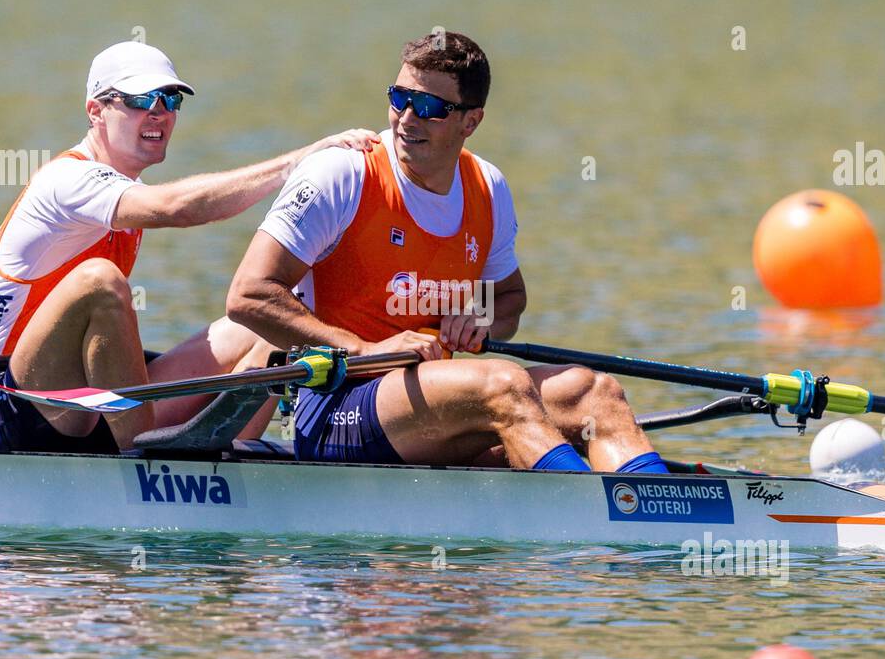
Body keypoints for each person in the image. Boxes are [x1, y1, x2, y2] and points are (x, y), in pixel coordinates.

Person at [225, 30, 668, 473]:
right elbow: (249, 295)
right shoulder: (341, 176)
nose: (407, 118)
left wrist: (483, 317)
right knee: (503, 382)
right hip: (337, 408)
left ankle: (655, 522)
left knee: (593, 392)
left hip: (439, 409)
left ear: (470, 122)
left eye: (431, 108)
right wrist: (362, 350)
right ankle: (591, 515)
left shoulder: (487, 188)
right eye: (399, 98)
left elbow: (510, 300)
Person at [0, 40, 378, 453]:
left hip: (87, 398)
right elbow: (178, 207)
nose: (158, 112)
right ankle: (141, 463)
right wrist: (298, 162)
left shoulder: (127, 190)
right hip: (4, 406)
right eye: (141, 99)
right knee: (99, 281)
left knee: (269, 321)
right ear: (96, 111)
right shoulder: (66, 181)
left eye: (170, 99)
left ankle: (230, 472)